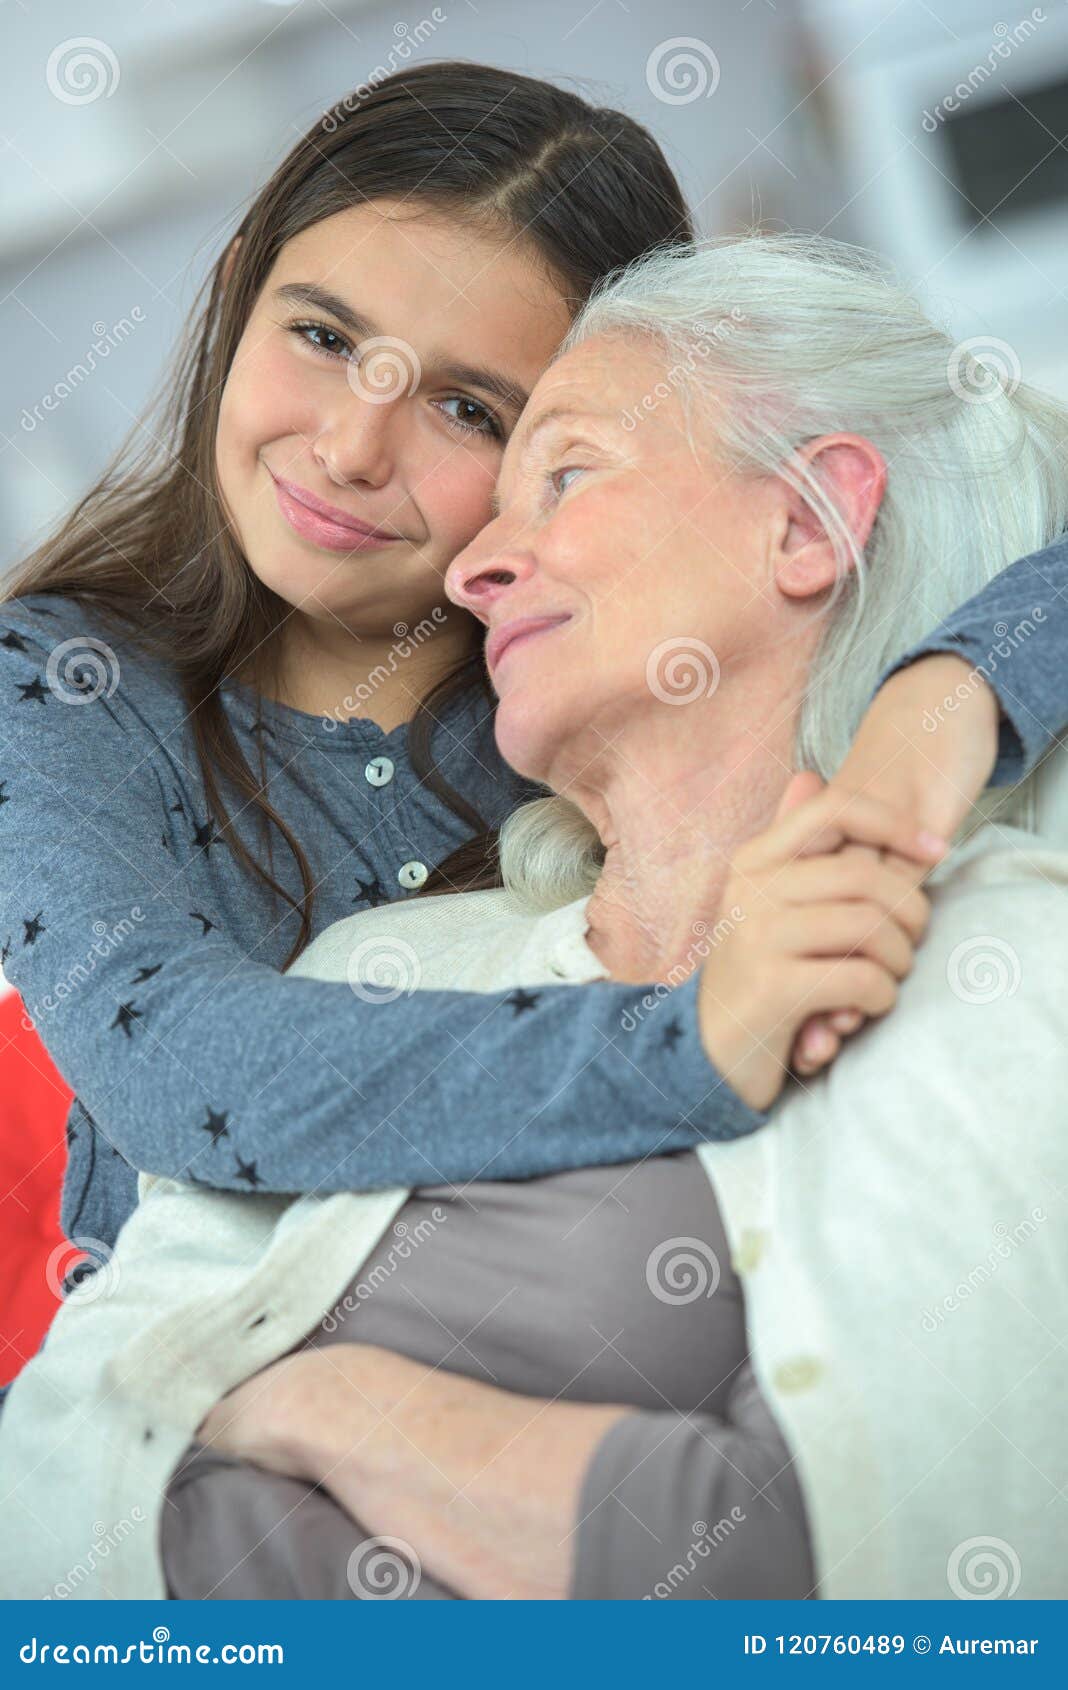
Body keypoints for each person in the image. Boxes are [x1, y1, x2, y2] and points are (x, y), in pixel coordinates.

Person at [2, 234, 1066, 1601]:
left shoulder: (991, 961)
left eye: (562, 473)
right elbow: (59, 1468)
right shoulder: (382, 962)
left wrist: (333, 1409)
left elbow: (867, 1581)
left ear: (805, 521)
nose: (470, 570)